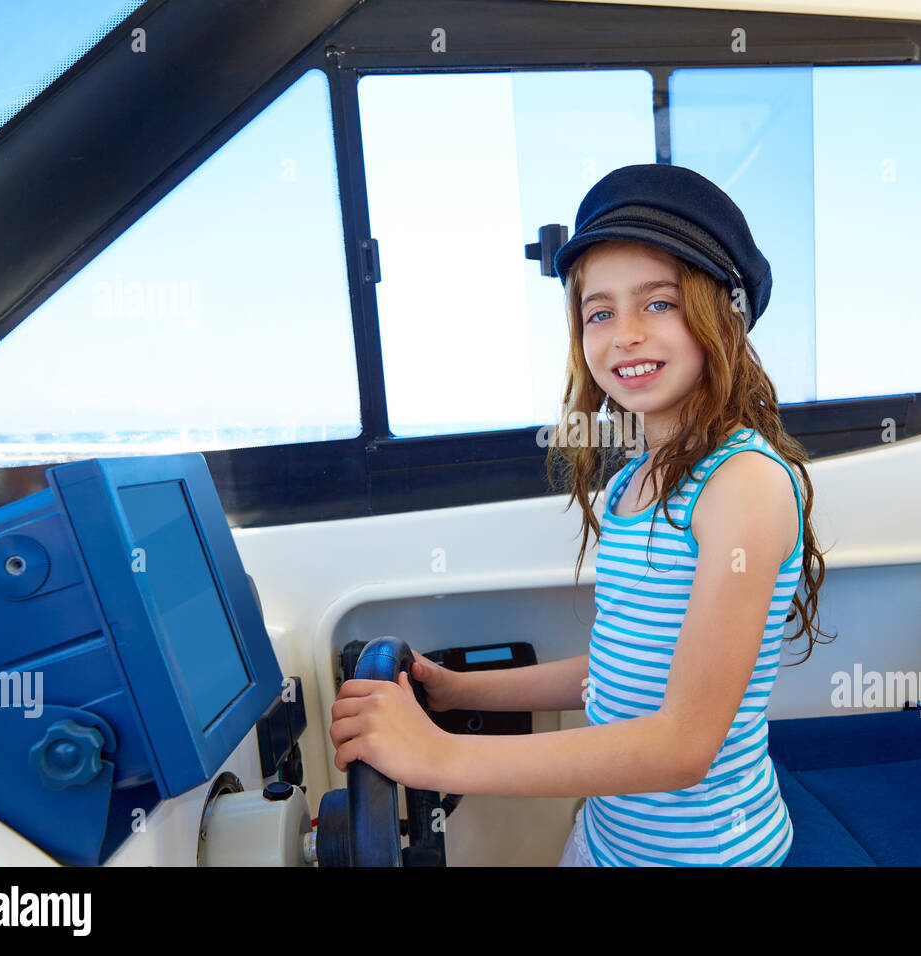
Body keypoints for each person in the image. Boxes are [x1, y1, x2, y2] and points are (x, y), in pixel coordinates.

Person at [329, 163, 833, 866]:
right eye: (600, 312)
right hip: (605, 838)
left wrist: (439, 757)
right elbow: (618, 669)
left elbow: (683, 747)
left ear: (728, 313)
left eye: (659, 303)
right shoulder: (633, 478)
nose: (624, 334)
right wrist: (457, 690)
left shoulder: (743, 485)